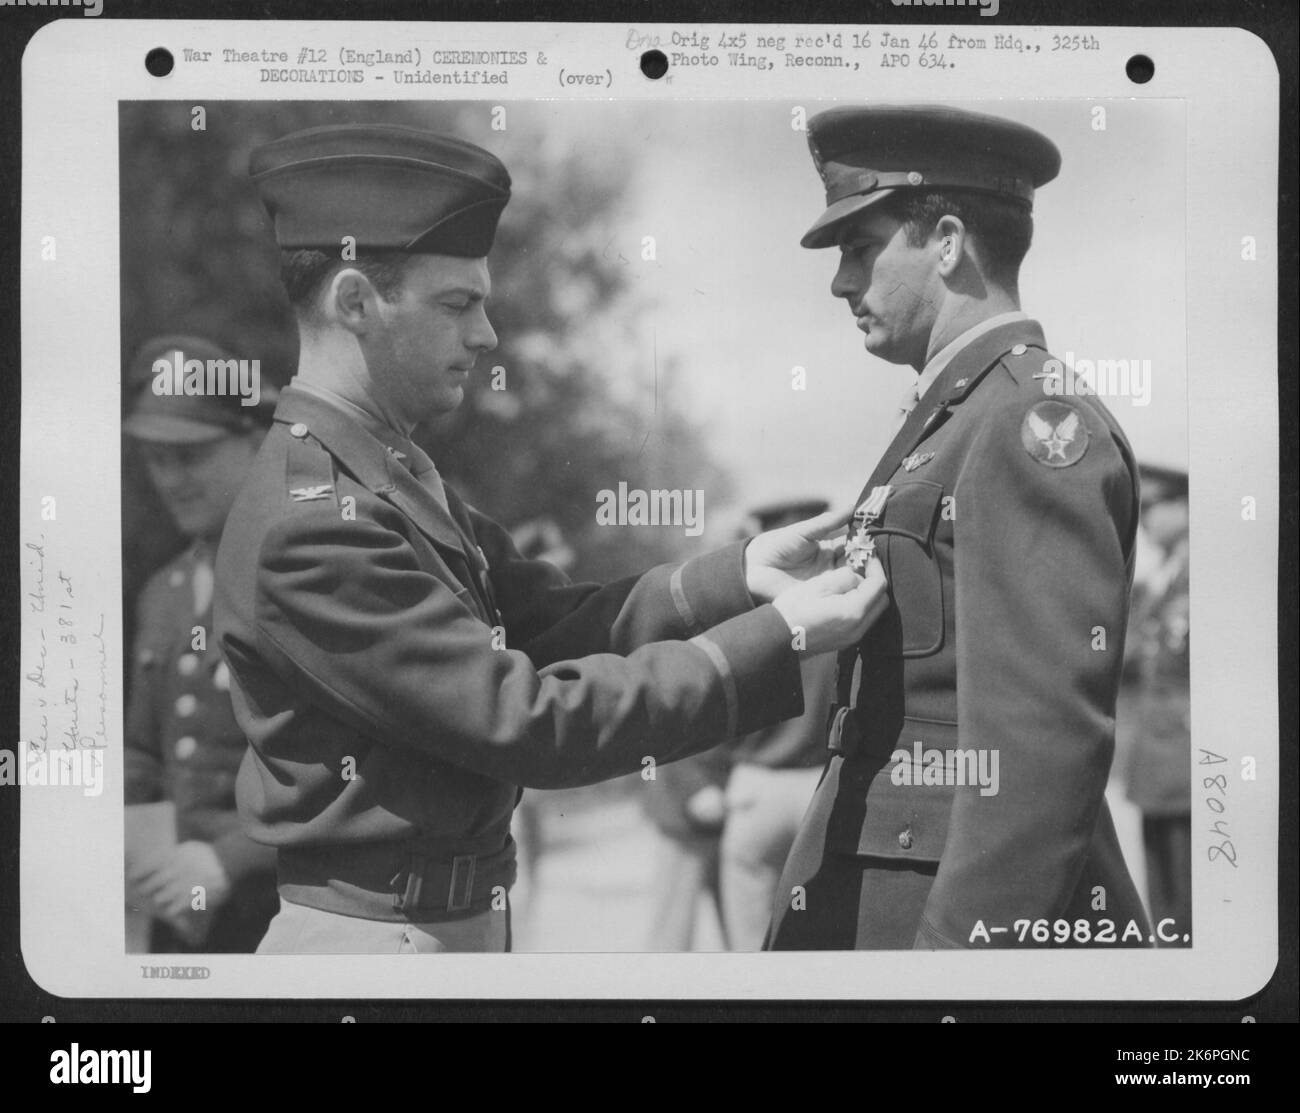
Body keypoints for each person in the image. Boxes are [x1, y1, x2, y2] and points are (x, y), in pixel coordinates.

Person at [214, 122, 888, 954]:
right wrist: (782, 636)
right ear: (355, 300)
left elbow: (550, 622)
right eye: (459, 303)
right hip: (374, 946)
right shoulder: (312, 521)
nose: (486, 334)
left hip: (437, 929)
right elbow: (528, 719)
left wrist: (741, 574)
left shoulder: (390, 474)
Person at [766, 105, 1150, 950]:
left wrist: (958, 975)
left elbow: (1037, 752)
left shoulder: (1028, 422)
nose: (840, 282)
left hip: (947, 919)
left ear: (946, 241)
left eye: (860, 249)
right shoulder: (961, 414)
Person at [123, 331, 280, 952]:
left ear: (255, 441)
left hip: (281, 914)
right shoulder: (164, 593)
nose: (169, 478)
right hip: (181, 922)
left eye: (190, 454)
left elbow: (356, 766)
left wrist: (232, 859)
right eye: (155, 457)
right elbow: (146, 751)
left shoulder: (303, 576)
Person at [719, 500, 839, 951]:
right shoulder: (836, 613)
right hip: (821, 786)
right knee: (820, 941)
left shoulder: (741, 618)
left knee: (750, 945)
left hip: (756, 786)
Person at [1120, 464, 1191, 943]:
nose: (1145, 518)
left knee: (1192, 907)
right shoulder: (1160, 584)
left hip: (1190, 768)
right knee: (1165, 909)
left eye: (1155, 506)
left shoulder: (1204, 581)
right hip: (1155, 765)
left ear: (1188, 507)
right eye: (1141, 508)